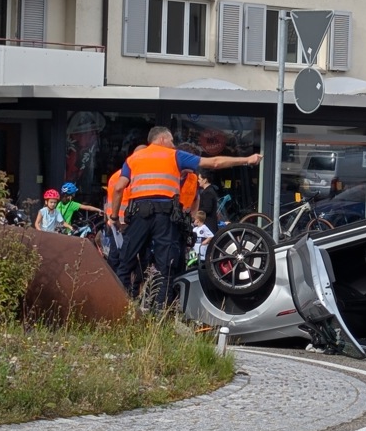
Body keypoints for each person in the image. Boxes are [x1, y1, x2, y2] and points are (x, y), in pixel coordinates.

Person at [109, 126, 261, 308]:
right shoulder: (174, 155)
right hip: (164, 216)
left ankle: (118, 307)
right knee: (167, 266)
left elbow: (119, 188)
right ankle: (160, 310)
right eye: (172, 141)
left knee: (126, 262)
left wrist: (115, 218)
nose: (174, 145)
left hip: (138, 214)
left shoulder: (133, 159)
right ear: (163, 139)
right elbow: (214, 163)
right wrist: (247, 159)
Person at [196, 170, 222, 234]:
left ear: (205, 180)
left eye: (199, 179)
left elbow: (207, 209)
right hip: (209, 223)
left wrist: (197, 214)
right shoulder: (209, 191)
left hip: (208, 224)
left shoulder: (208, 192)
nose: (198, 181)